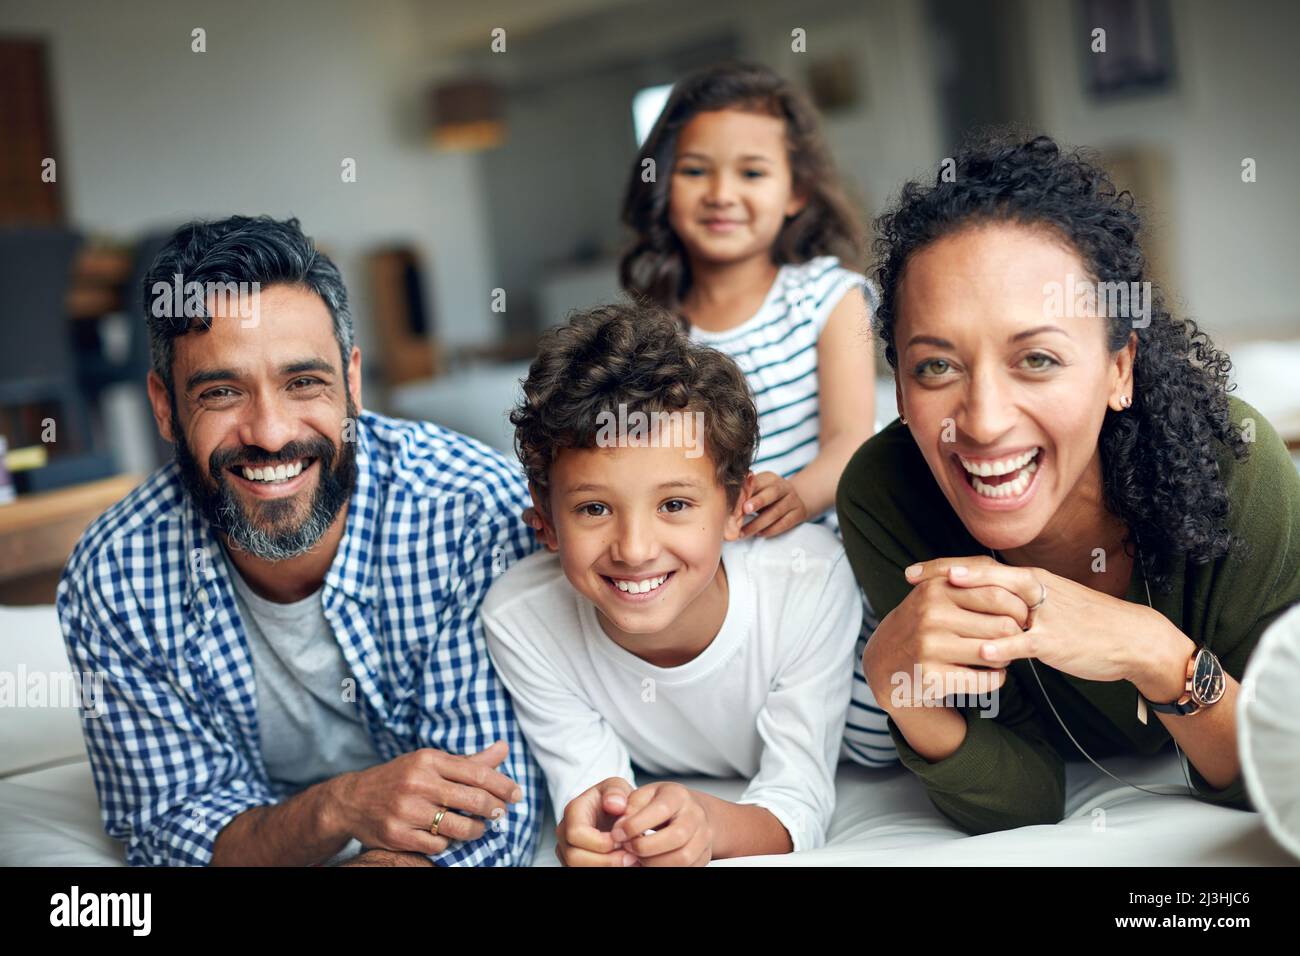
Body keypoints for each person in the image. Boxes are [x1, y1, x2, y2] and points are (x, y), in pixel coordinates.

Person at [837, 133, 1300, 834]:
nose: (985, 422)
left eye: (1038, 359)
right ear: (898, 385)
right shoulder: (884, 495)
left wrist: (1151, 649)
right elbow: (1024, 801)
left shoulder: (1236, 463)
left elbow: (1280, 766)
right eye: (936, 366)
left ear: (1119, 369)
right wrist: (903, 693)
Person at [57, 215, 542, 866]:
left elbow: (483, 807)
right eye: (221, 392)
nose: (271, 433)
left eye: (303, 383)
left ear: (352, 383)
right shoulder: (115, 575)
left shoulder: (471, 517)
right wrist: (336, 806)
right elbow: (172, 830)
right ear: (166, 407)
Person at [484, 304, 863, 865]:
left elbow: (798, 801)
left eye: (675, 504)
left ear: (738, 506)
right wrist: (597, 835)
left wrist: (708, 824)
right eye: (593, 508)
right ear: (545, 522)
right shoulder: (521, 619)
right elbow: (594, 794)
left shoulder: (809, 582)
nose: (634, 549)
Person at [619, 62, 896, 766]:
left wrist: (797, 497)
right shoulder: (657, 330)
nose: (722, 195)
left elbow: (848, 442)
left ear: (796, 190)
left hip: (819, 539)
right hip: (716, 559)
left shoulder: (828, 298)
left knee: (870, 740)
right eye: (696, 171)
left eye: (751, 173)